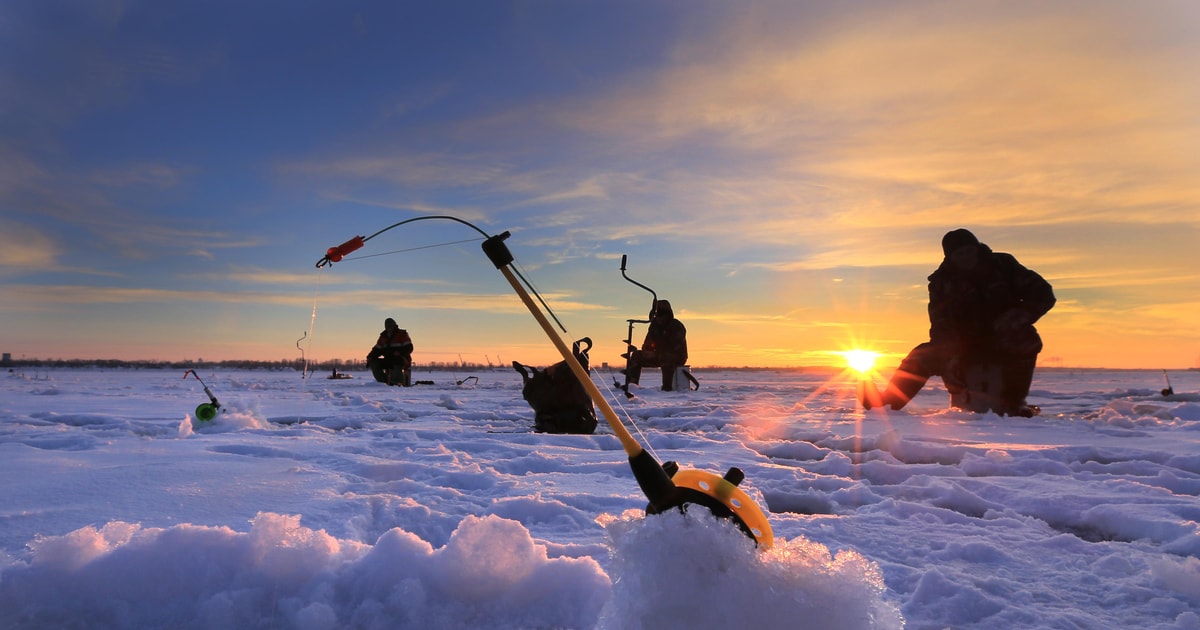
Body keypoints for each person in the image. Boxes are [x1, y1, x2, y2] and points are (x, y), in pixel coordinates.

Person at [866, 229, 1055, 416]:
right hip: (963, 344)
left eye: (969, 251)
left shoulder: (1003, 265)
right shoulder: (941, 282)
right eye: (960, 253)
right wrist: (951, 354)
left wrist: (1017, 317)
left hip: (1003, 337)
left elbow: (1044, 294)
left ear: (977, 249)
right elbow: (940, 324)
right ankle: (886, 404)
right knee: (921, 356)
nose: (966, 257)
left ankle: (1014, 404)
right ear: (950, 257)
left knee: (1026, 339)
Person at [626, 299, 689, 391]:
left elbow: (677, 347)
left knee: (667, 357)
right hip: (658, 355)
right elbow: (648, 342)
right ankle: (632, 386)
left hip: (676, 357)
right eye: (657, 315)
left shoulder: (676, 325)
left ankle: (667, 389)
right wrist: (647, 351)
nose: (658, 318)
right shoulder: (654, 326)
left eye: (660, 315)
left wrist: (658, 352)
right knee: (636, 355)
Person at [367, 318, 414, 386]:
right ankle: (383, 383)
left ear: (394, 326)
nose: (389, 328)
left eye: (391, 326)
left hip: (402, 359)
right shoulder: (383, 337)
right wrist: (370, 357)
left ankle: (397, 383)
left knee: (397, 361)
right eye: (387, 326)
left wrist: (400, 352)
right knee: (373, 362)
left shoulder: (402, 334)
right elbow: (376, 350)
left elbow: (409, 348)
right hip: (388, 360)